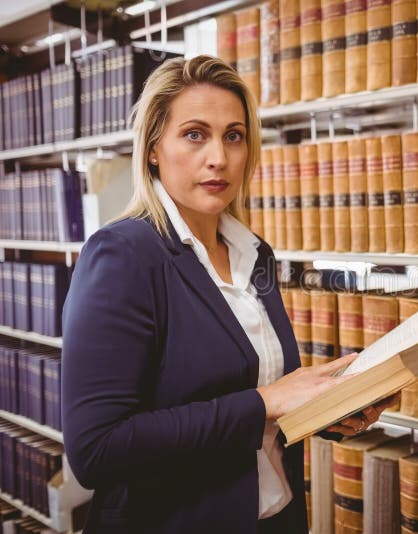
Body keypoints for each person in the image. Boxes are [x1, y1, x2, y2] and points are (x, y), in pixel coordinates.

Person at [61, 55, 396, 533]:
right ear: (153, 148)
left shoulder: (253, 254)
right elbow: (96, 450)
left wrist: (326, 409)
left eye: (233, 136)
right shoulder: (123, 256)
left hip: (275, 520)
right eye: (194, 134)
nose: (218, 157)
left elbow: (257, 405)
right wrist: (267, 402)